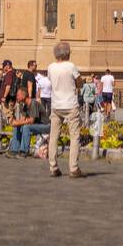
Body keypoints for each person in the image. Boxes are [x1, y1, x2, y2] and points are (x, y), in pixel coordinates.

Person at [47, 40, 84, 177]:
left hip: (56, 105)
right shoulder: (71, 66)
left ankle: (53, 167)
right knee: (75, 137)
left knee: (53, 137)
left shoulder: (50, 67)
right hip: (70, 105)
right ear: (67, 53)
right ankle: (73, 168)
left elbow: (52, 81)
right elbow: (79, 83)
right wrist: (79, 82)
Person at [8, 89, 50, 156]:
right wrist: (13, 121)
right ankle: (14, 150)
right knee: (17, 126)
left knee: (26, 127)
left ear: (24, 95)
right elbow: (22, 120)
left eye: (18, 95)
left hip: (45, 126)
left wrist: (16, 123)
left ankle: (24, 151)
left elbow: (31, 120)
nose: (16, 97)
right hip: (36, 126)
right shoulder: (25, 106)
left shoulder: (33, 103)